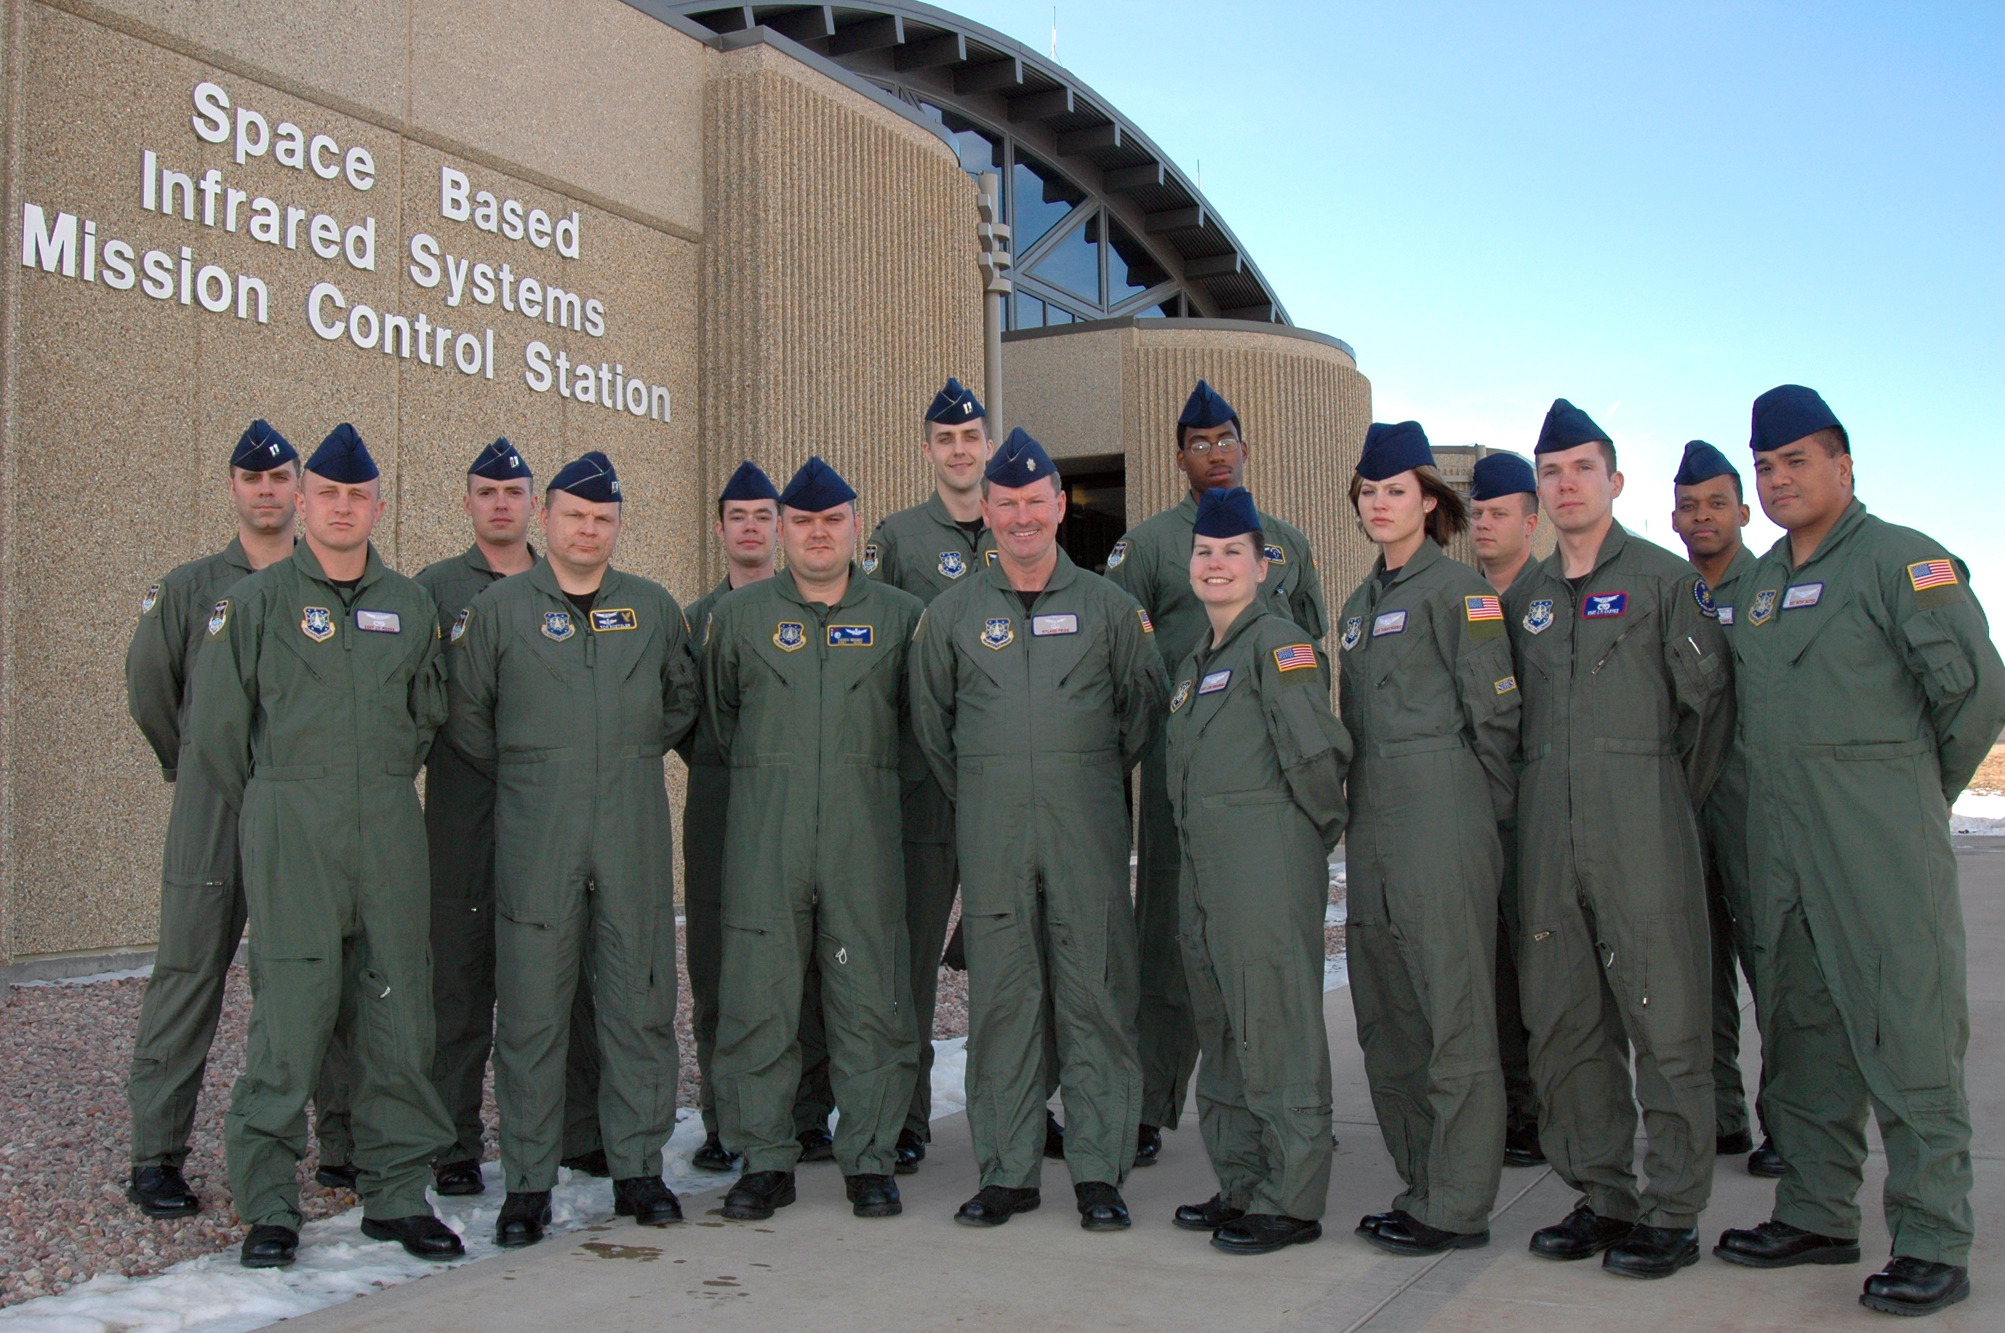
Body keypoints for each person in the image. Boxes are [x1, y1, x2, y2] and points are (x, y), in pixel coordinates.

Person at [1714, 386, 2005, 1318]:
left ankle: (1929, 1236)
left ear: (1843, 464)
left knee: (1906, 1036)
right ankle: (1814, 1210)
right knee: (1799, 1037)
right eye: (1764, 465)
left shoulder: (1901, 560)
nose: (1777, 478)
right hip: (1783, 848)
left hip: (1876, 844)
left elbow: (1973, 699)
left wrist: (1905, 796)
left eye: (1795, 460)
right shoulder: (1758, 585)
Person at [187, 423, 462, 1269]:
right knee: (291, 1015)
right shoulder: (260, 602)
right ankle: (270, 1202)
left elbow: (425, 715)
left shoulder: (410, 603)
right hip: (290, 821)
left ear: (379, 505)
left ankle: (395, 1193)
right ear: (301, 503)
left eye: (359, 496)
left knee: (397, 1012)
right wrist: (281, 801)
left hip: (385, 820)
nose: (343, 509)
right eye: (328, 495)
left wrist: (368, 783)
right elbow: (220, 732)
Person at [911, 428, 1168, 1231]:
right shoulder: (949, 617)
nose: (1021, 516)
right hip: (991, 835)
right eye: (1006, 503)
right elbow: (932, 728)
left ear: (1060, 506)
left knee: (1095, 995)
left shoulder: (1113, 610)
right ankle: (1009, 1170)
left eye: (1036, 502)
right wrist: (993, 789)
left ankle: (1098, 1171)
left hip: (1084, 829)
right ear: (984, 511)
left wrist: (1075, 775)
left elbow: (1142, 714)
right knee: (1003, 1004)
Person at [444, 451, 699, 1249]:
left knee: (638, 998)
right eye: (573, 515)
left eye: (602, 518)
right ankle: (527, 1181)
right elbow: (470, 718)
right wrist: (542, 765)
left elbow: (679, 701)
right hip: (534, 826)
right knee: (530, 1005)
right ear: (543, 519)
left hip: (629, 823)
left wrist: (616, 754)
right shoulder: (501, 610)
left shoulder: (653, 608)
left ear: (617, 526)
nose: (587, 529)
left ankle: (638, 1167)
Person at [1502, 399, 1733, 1280]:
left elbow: (1705, 715)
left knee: (1665, 1023)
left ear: (1613, 480)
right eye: (1550, 472)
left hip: (1642, 834)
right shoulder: (1522, 599)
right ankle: (1602, 1194)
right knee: (1564, 1024)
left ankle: (1672, 1211)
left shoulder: (1665, 581)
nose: (1565, 485)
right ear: (1538, 491)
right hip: (1547, 846)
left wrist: (1654, 800)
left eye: (1581, 469)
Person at [123, 421, 353, 1216]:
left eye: (278, 477)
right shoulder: (188, 589)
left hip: (302, 806)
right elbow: (153, 693)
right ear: (232, 487)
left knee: (315, 968)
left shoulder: (325, 587)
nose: (265, 489)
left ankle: (343, 1144)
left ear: (298, 489)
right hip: (214, 806)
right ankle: (156, 1153)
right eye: (249, 477)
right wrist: (192, 769)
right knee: (189, 973)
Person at [1105, 379, 1326, 1168]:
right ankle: (1148, 1101)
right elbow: (1118, 654)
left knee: (1258, 952)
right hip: (1175, 771)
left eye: (1226, 438)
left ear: (1244, 445)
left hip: (1263, 780)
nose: (1215, 453)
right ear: (1179, 458)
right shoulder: (1151, 545)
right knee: (1169, 937)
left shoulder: (1288, 543)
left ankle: (1282, 1120)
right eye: (1199, 443)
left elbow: (1311, 653)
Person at [706, 457, 926, 1223]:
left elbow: (918, 727)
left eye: (831, 520)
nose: (816, 533)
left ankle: (868, 1156)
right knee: (759, 998)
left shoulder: (902, 617)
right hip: (766, 835)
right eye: (800, 522)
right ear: (780, 529)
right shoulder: (738, 619)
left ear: (854, 526)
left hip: (864, 837)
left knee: (869, 998)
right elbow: (720, 716)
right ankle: (765, 1158)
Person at [1339, 423, 1518, 1256]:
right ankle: (1422, 1180)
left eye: (1395, 491)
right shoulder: (1355, 606)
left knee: (1452, 1016)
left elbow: (1497, 722)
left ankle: (1458, 1201)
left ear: (1429, 501)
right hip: (1373, 817)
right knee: (1390, 1015)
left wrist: (1473, 828)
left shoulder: (1459, 593)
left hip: (1442, 814)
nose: (1380, 504)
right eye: (1368, 492)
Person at [1163, 486, 1352, 1255]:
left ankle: (1292, 1194)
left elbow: (1317, 756)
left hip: (1264, 866)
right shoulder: (1194, 661)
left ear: (1262, 565)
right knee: (1226, 1030)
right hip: (1206, 871)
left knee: (1276, 1029)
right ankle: (1243, 1178)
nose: (1216, 564)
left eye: (1231, 552)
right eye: (1205, 552)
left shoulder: (1279, 643)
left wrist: (1297, 845)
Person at [417, 439, 607, 1196]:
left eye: (514, 491)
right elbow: (436, 701)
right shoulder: (431, 591)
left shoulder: (568, 580)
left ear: (538, 504)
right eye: (485, 491)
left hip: (562, 821)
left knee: (571, 978)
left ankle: (581, 1128)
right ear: (466, 502)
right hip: (466, 816)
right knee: (458, 981)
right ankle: (451, 1138)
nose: (500, 503)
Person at [681, 459, 832, 1176]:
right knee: (721, 971)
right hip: (720, 809)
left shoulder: (802, 608)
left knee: (801, 968)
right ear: (719, 528)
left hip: (795, 812)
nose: (749, 526)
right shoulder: (693, 621)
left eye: (761, 514)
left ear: (779, 527)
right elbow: (691, 717)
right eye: (736, 515)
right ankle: (726, 1116)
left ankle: (803, 1115)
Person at [863, 376, 999, 1173]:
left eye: (970, 436)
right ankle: (905, 1116)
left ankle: (1016, 1109)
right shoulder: (899, 539)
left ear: (985, 444)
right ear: (927, 450)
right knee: (909, 959)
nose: (959, 449)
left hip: (1000, 784)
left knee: (1016, 961)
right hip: (921, 786)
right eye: (944, 439)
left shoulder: (1015, 524)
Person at [1667, 438, 1782, 1181]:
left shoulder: (1772, 585)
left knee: (1774, 975)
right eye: (1687, 506)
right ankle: (1720, 1116)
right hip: (1683, 807)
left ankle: (1791, 1124)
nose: (1701, 517)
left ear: (1741, 510)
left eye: (1715, 503)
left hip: (1755, 812)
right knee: (1697, 973)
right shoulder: (1668, 590)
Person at [1466, 450, 1545, 1170]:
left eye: (1498, 513)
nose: (1484, 524)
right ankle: (1515, 1107)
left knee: (1544, 969)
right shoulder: (1460, 596)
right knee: (1490, 968)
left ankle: (1550, 1108)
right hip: (1476, 817)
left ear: (1530, 519)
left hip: (1543, 815)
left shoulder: (1553, 595)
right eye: (1477, 513)